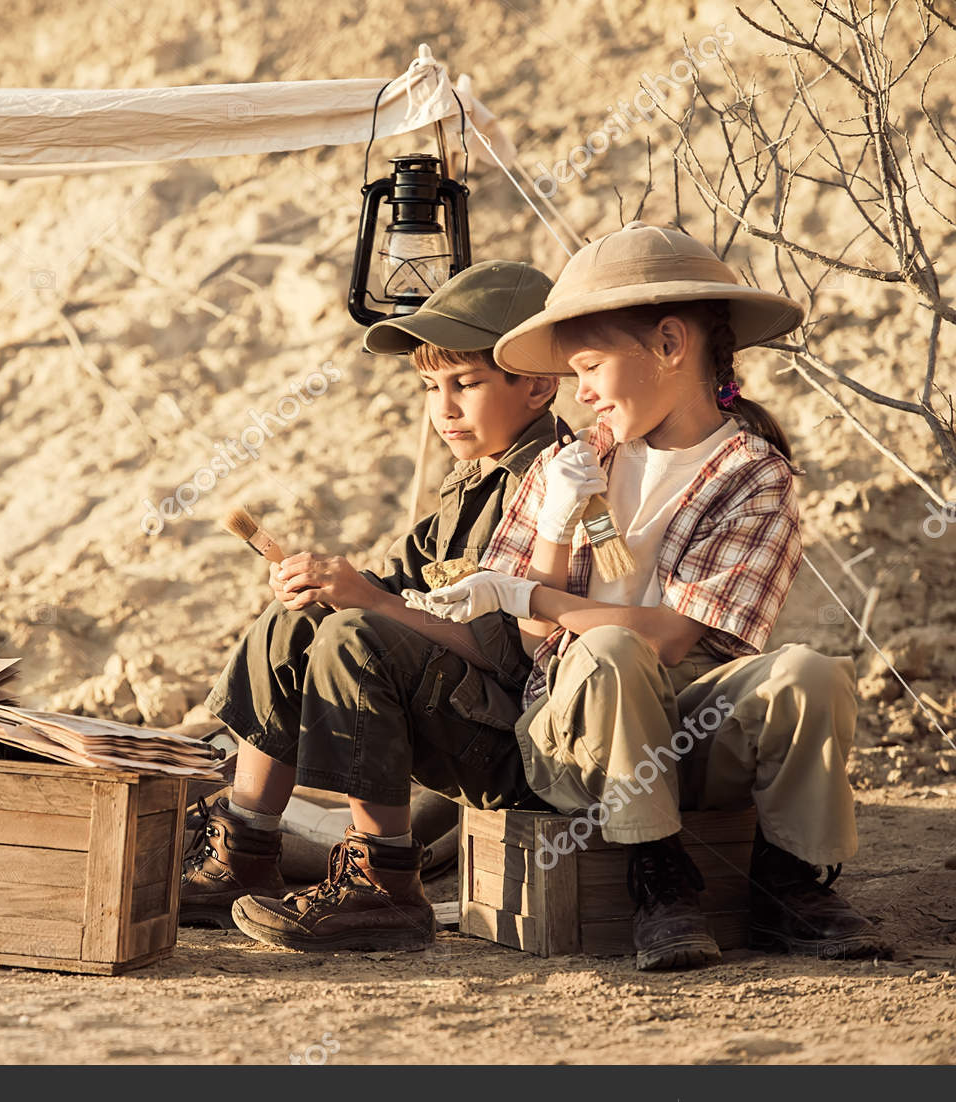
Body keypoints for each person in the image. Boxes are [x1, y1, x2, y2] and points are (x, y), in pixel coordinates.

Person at [418, 222, 882, 970]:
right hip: (578, 738)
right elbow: (540, 647)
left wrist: (526, 597)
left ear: (671, 345)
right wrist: (556, 537)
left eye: (593, 366)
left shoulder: (753, 476)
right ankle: (658, 877)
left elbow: (671, 639)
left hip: (691, 733)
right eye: (575, 375)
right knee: (607, 649)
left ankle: (791, 881)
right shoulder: (570, 462)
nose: (585, 392)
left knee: (812, 673)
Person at [185, 260, 558, 952]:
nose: (441, 408)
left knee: (357, 636)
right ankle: (246, 851)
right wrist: (323, 586)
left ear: (537, 384)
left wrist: (367, 601)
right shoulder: (470, 483)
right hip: (462, 714)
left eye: (465, 384)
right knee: (299, 622)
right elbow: (400, 580)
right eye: (429, 387)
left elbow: (511, 651)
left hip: (518, 744)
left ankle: (385, 883)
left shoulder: (553, 482)